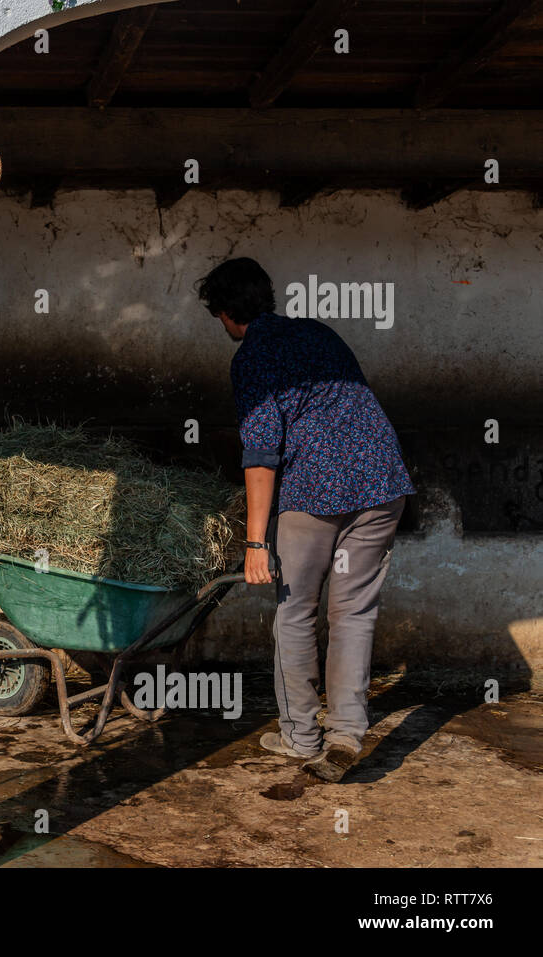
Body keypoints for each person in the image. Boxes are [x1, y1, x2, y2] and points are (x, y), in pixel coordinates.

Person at [196, 257, 415, 782]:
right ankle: (344, 734)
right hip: (382, 482)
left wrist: (254, 544)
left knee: (295, 614)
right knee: (353, 614)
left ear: (226, 313)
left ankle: (300, 736)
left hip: (315, 491)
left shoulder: (252, 357)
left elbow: (261, 453)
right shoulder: (319, 332)